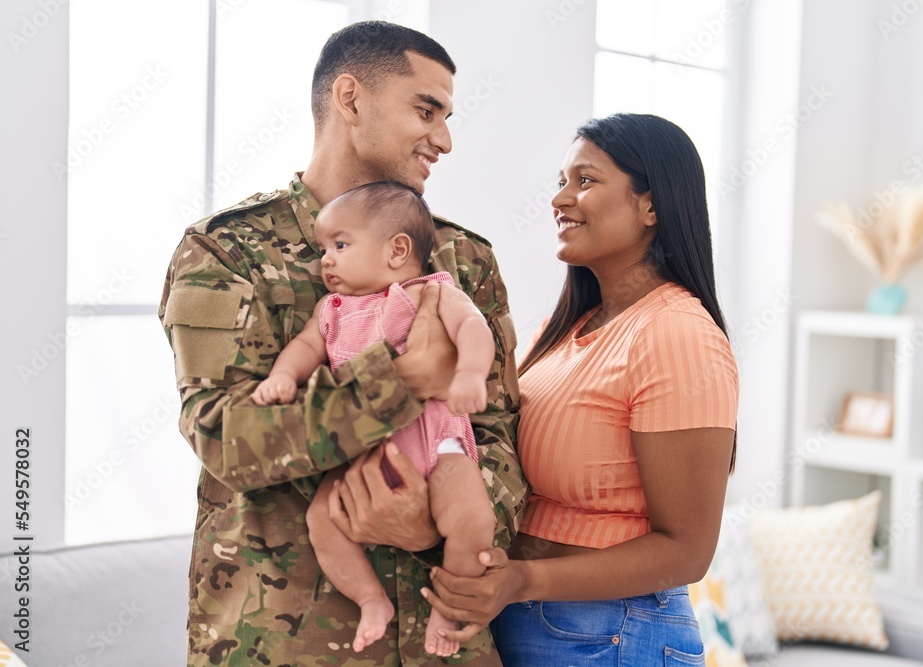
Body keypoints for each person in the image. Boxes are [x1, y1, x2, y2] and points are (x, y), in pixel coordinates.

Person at [157, 21, 526, 666]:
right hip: (285, 646)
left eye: (446, 116)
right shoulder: (226, 251)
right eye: (426, 109)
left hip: (446, 647)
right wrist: (400, 380)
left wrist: (436, 524)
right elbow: (224, 437)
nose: (444, 138)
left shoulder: (461, 258)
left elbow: (501, 437)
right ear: (350, 100)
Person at [421, 113, 739, 666]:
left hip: (613, 634)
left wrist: (522, 579)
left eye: (585, 181)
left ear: (652, 205)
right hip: (534, 622)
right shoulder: (566, 325)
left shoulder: (678, 335)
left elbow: (686, 551)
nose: (560, 199)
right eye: (560, 181)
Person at [250, 181, 497, 657]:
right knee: (322, 520)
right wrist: (283, 376)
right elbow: (305, 348)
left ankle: (448, 609)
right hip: (362, 454)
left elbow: (472, 326)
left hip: (434, 442)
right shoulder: (331, 310)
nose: (325, 259)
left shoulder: (428, 292)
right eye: (324, 247)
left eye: (339, 245)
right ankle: (370, 600)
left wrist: (470, 373)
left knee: (472, 520)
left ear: (397, 250)